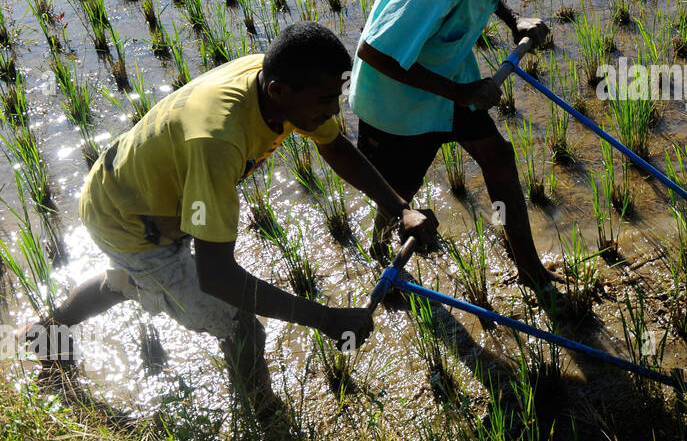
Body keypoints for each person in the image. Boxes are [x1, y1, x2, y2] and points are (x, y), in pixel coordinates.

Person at [21, 22, 439, 420]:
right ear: (278, 90)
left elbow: (335, 147)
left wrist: (399, 206)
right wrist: (326, 319)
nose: (334, 109)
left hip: (149, 195)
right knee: (240, 327)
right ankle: (266, 425)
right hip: (128, 218)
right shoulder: (219, 140)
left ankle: (46, 335)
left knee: (135, 280)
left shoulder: (278, 84)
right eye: (325, 100)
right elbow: (217, 277)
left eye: (337, 95)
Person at [349, 0, 587, 306]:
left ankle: (532, 273)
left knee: (498, 155)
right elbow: (375, 50)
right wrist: (462, 94)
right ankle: (379, 261)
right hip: (396, 101)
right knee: (398, 197)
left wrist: (513, 18)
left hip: (448, 72)